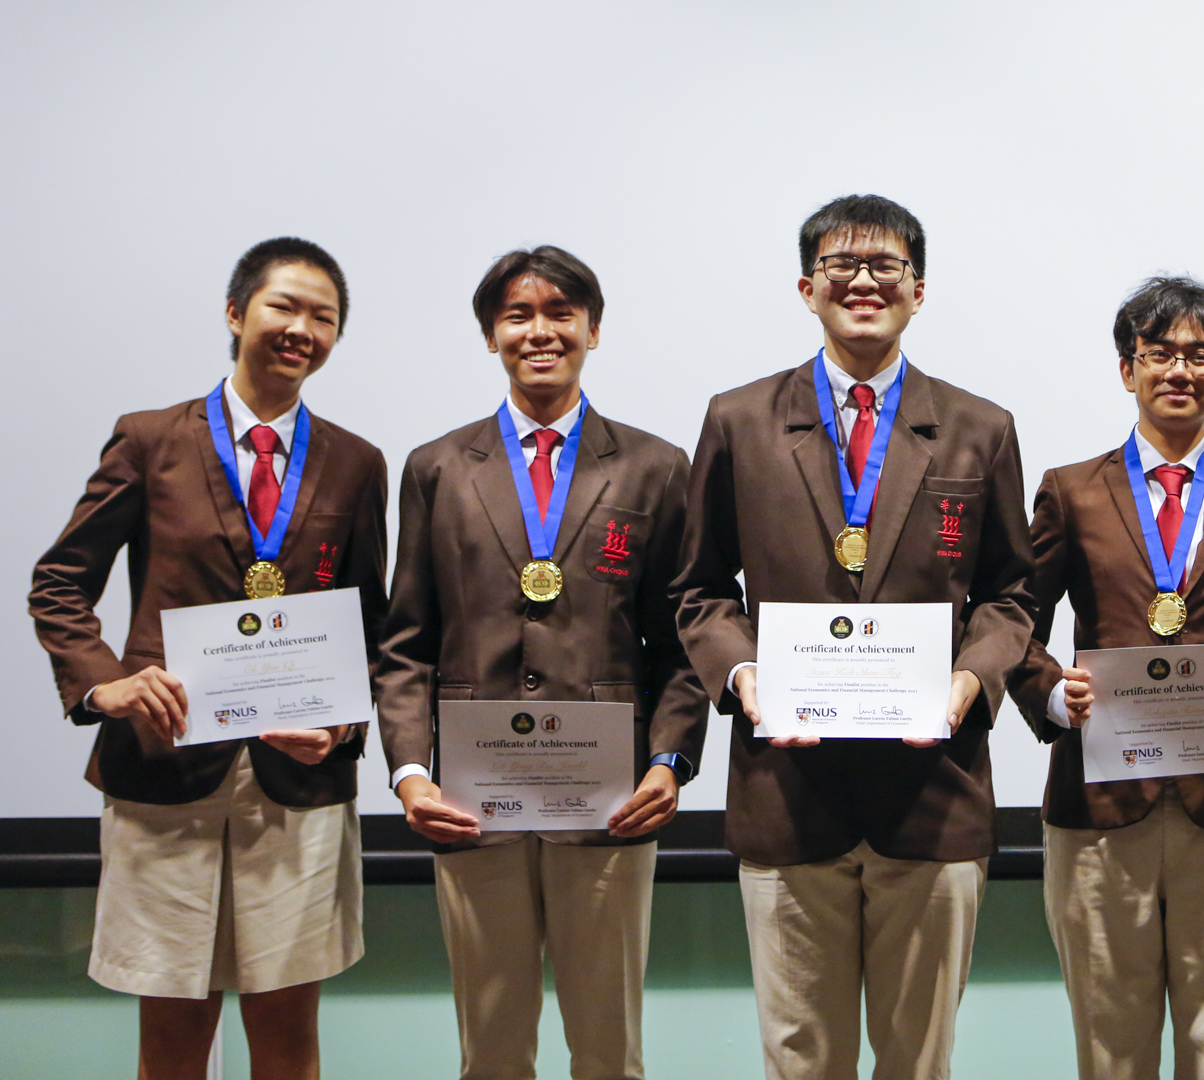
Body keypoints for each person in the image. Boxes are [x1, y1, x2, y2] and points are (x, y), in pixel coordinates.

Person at [671, 194, 1035, 1080]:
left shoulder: (980, 427)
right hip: (789, 788)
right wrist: (742, 674)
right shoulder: (739, 418)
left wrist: (970, 680)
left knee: (920, 1062)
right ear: (807, 287)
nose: (864, 281)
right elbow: (699, 589)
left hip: (933, 791)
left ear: (920, 290)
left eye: (886, 267)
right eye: (841, 265)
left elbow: (1010, 596)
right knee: (803, 1060)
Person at [28, 237, 387, 1080]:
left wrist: (339, 724)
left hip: (298, 786)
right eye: (283, 307)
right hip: (164, 771)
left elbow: (374, 623)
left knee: (289, 1037)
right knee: (175, 1038)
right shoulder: (150, 441)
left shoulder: (358, 463)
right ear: (235, 314)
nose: (302, 328)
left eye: (323, 317)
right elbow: (59, 582)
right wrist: (105, 685)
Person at [375, 245, 706, 1080]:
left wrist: (668, 761)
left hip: (610, 799)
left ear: (594, 328)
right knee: (489, 1051)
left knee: (608, 1049)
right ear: (491, 335)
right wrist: (411, 775)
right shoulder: (438, 467)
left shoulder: (654, 465)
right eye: (518, 315)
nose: (541, 331)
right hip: (470, 802)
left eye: (561, 313)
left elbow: (683, 639)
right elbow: (406, 639)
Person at [1007, 276, 1204, 1080]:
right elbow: (1012, 625)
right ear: (1127, 370)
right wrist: (1049, 692)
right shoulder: (1071, 491)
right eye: (1159, 353)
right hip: (1099, 808)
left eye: (1200, 356)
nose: (1180, 370)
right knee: (1111, 1046)